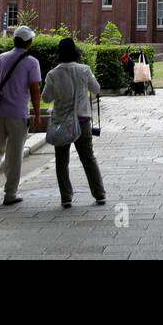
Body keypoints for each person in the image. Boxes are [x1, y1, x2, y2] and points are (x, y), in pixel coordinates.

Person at [42, 36, 106, 209]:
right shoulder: (84, 70)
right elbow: (96, 89)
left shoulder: (52, 74)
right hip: (82, 120)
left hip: (61, 122)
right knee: (88, 157)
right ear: (76, 52)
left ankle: (66, 197)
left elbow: (46, 97)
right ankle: (99, 193)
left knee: (61, 161)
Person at [0, 26, 42, 205]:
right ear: (28, 42)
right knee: (14, 156)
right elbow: (35, 89)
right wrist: (37, 114)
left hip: (0, 113)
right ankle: (10, 193)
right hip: (18, 114)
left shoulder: (2, 57)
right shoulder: (32, 62)